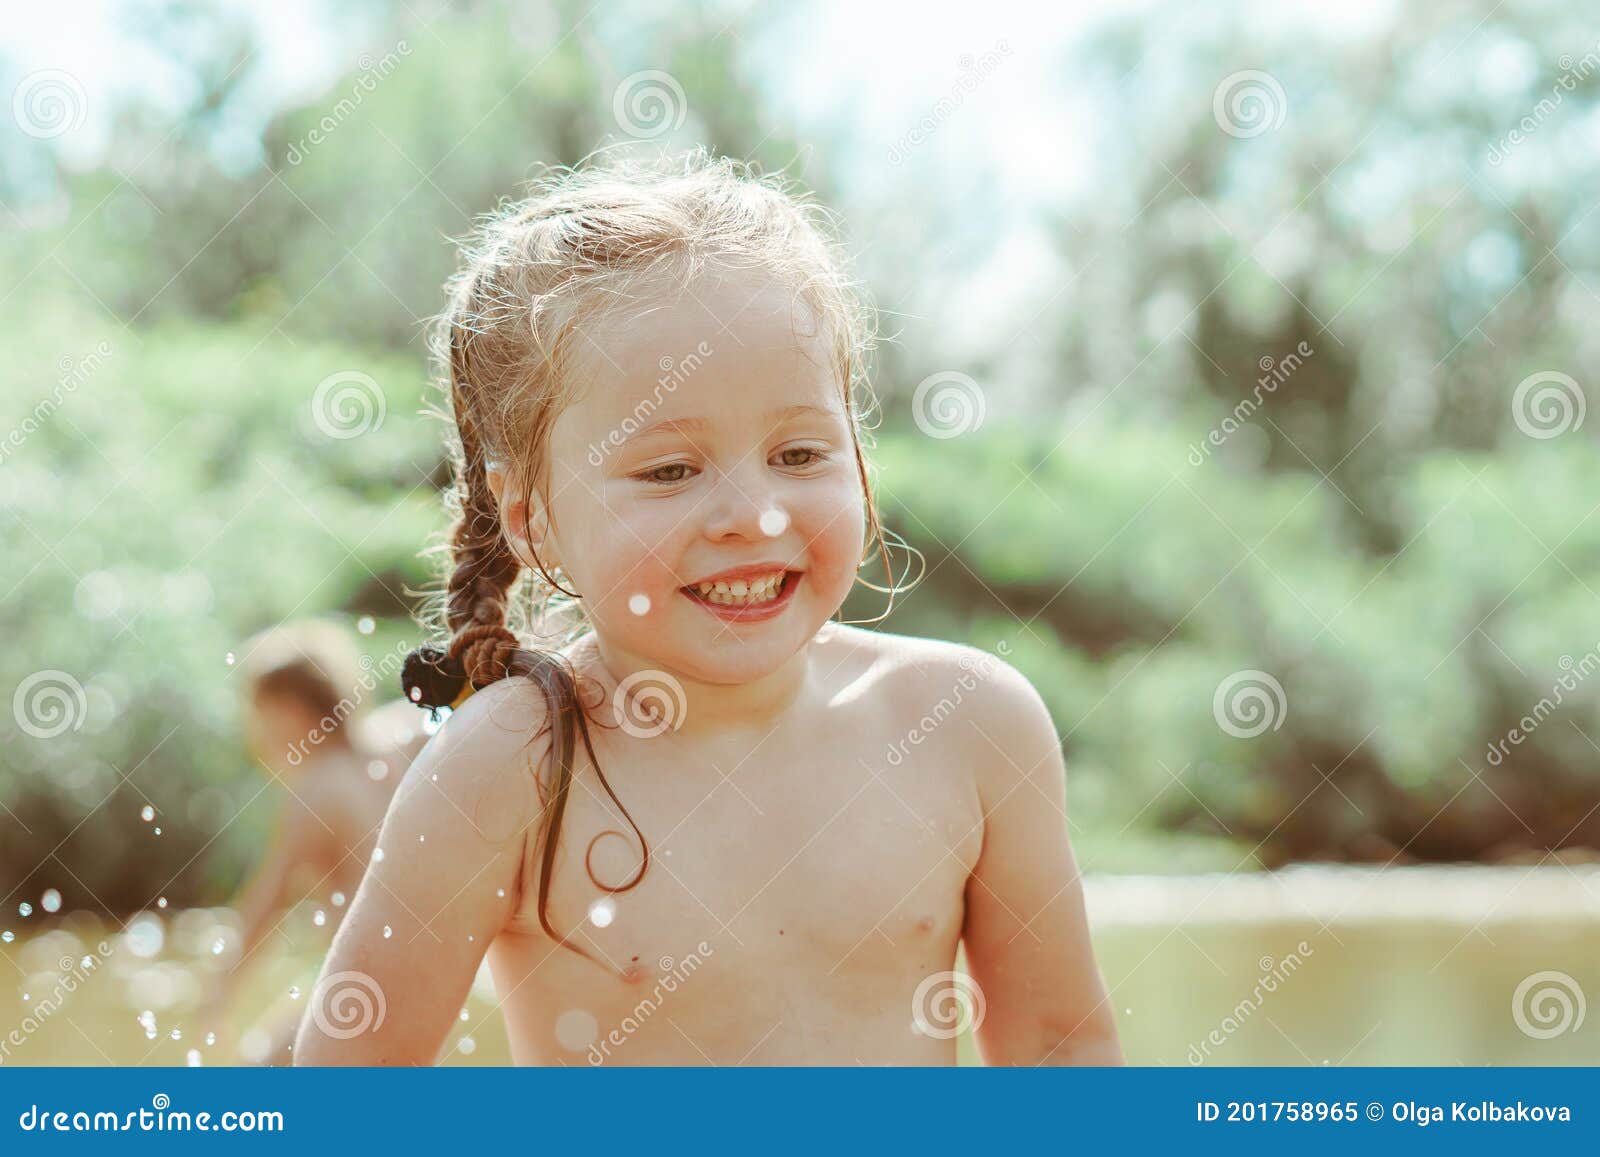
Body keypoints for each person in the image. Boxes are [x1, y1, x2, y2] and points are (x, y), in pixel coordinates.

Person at [295, 148, 1122, 1066]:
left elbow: (1060, 1044)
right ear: (533, 521)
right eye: (670, 471)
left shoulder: (965, 725)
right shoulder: (510, 765)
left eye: (801, 454)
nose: (752, 515)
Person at [204, 618, 427, 1063]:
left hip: (362, 985)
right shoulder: (385, 755)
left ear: (291, 710)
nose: (255, 734)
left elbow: (268, 904)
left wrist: (216, 998)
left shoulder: (316, 788)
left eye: (258, 713)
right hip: (419, 983)